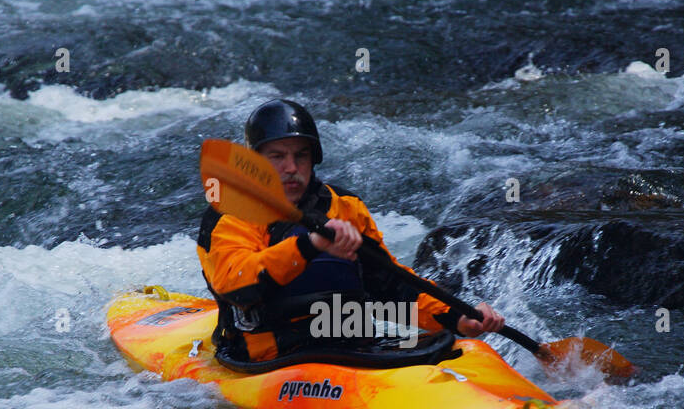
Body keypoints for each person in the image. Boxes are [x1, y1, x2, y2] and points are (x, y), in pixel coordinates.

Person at [197, 98, 504, 363]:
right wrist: (309, 246)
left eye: (300, 155)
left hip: (353, 347)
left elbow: (389, 286)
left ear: (312, 158)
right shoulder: (230, 215)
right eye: (277, 156)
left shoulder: (344, 206)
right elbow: (237, 285)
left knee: (452, 347)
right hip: (270, 359)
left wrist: (455, 317)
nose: (291, 167)